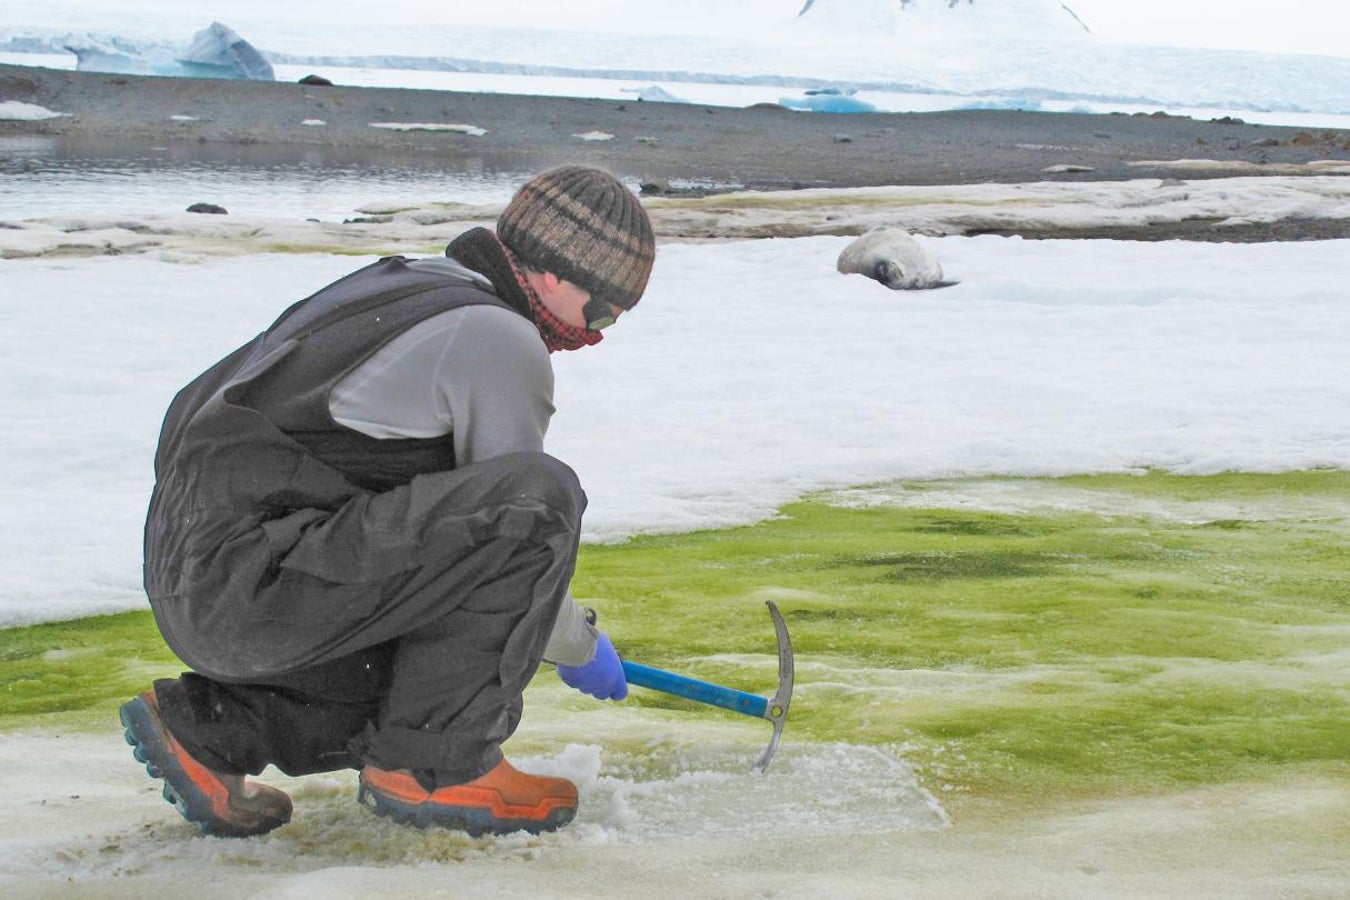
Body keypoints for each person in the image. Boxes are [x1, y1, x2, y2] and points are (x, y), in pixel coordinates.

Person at [118, 165, 656, 838]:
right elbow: (516, 528)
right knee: (543, 499)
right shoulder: (497, 336)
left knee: (423, 660)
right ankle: (437, 768)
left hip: (203, 578)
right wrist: (577, 642)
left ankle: (212, 731)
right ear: (554, 273)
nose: (598, 333)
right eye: (603, 310)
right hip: (256, 581)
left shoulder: (407, 284)